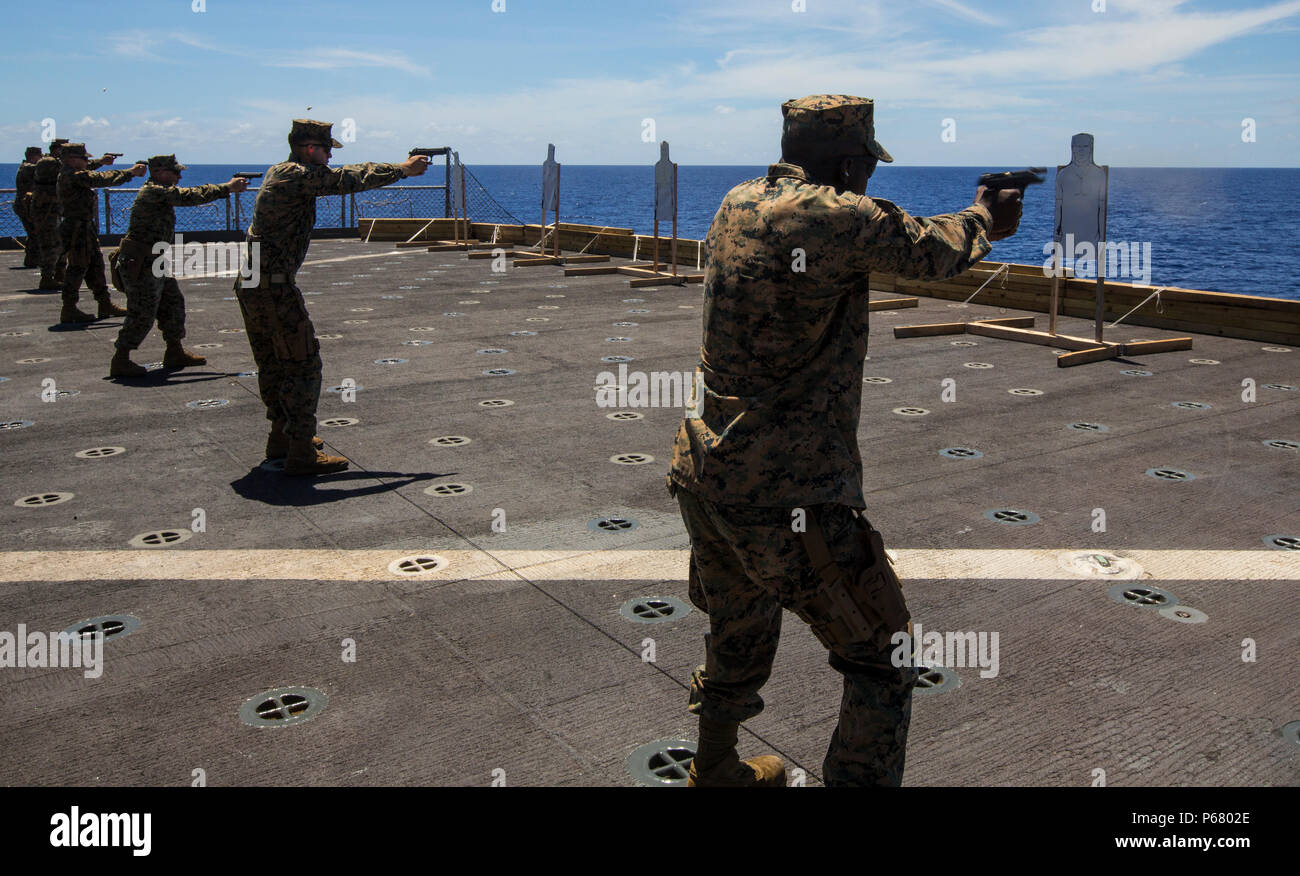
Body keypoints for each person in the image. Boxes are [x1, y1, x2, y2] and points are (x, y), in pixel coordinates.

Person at [666, 95, 1024, 787]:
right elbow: (930, 250)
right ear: (854, 163)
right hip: (789, 489)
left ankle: (714, 769)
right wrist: (986, 217)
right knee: (879, 659)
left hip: (707, 469)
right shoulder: (838, 215)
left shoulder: (738, 201)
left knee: (738, 631)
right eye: (865, 167)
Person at [236, 119, 427, 475]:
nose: (328, 157)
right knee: (303, 364)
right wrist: (402, 169)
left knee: (275, 364)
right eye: (325, 150)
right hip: (272, 285)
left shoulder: (281, 172)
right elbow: (346, 179)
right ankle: (300, 453)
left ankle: (283, 436)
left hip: (254, 282)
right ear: (310, 148)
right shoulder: (295, 174)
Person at [109, 155, 248, 377]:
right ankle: (121, 358)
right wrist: (227, 188)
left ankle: (174, 351)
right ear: (159, 172)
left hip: (154, 261)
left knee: (173, 303)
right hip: (141, 262)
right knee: (142, 312)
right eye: (175, 171)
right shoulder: (154, 191)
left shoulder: (158, 191)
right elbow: (189, 196)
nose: (179, 175)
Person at [56, 143, 143, 324]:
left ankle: (104, 304)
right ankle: (69, 309)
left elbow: (93, 172)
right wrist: (131, 172)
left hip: (84, 227)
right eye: (84, 159)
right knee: (77, 268)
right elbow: (103, 179)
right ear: (72, 159)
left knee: (95, 266)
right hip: (76, 229)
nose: (87, 162)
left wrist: (103, 162)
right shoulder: (72, 176)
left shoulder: (71, 173)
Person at [12, 147, 43, 268]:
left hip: (27, 204)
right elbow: (43, 169)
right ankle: (33, 259)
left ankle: (32, 259)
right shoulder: (27, 167)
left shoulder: (26, 167)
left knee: (33, 233)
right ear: (33, 156)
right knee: (35, 233)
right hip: (25, 206)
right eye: (39, 156)